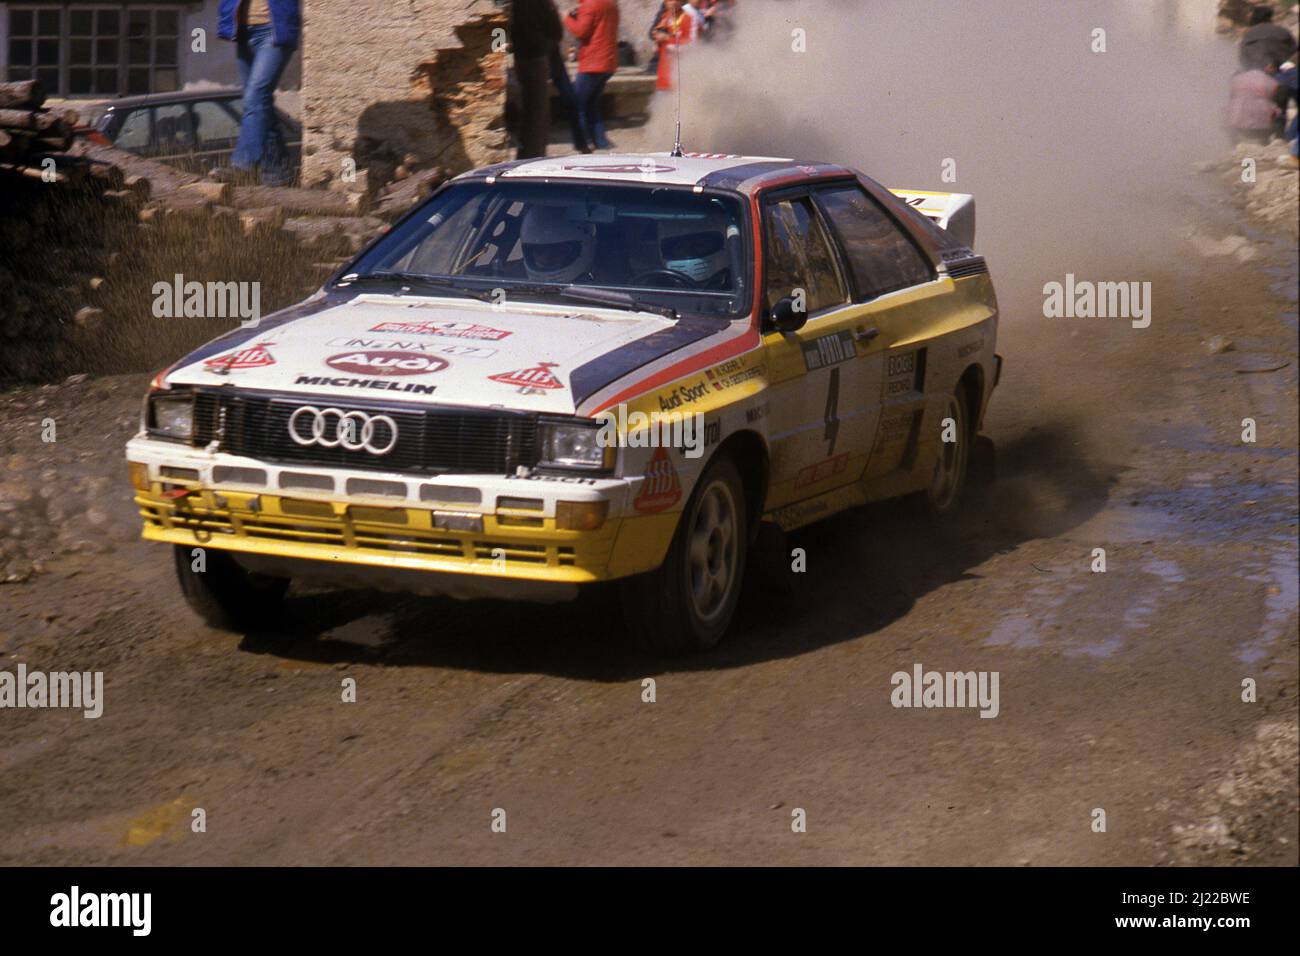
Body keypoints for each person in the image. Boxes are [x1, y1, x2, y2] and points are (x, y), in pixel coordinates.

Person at [212, 0, 299, 186]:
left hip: (274, 30)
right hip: (242, 30)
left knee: (256, 97)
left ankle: (242, 166)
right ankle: (279, 175)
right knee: (261, 105)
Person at [510, 0, 564, 159]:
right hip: (534, 57)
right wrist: (544, 45)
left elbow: (497, 24)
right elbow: (556, 31)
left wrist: (497, 51)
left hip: (515, 57)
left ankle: (528, 155)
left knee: (530, 111)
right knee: (537, 112)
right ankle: (531, 157)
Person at [564, 0, 620, 152]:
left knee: (578, 106)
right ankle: (601, 143)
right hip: (607, 62)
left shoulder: (589, 4)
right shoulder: (611, 3)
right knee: (592, 106)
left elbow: (581, 32)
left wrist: (567, 18)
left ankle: (585, 143)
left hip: (593, 63)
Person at [1225, 62, 1281, 144]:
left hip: (1238, 121)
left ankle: (1233, 145)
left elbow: (1231, 96)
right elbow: (1276, 97)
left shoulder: (1237, 79)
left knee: (1230, 113)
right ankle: (1267, 144)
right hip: (1263, 123)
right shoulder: (1269, 80)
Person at [1239, 5, 1297, 71]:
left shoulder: (1247, 36)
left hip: (1257, 73)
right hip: (1283, 72)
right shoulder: (1282, 31)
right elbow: (1294, 53)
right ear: (1269, 18)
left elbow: (1243, 60)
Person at [653, 0, 695, 92]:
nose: (673, 3)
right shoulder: (664, 18)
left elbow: (692, 47)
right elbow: (657, 47)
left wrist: (667, 39)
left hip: (680, 78)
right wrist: (657, 38)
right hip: (663, 77)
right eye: (669, 0)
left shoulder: (689, 19)